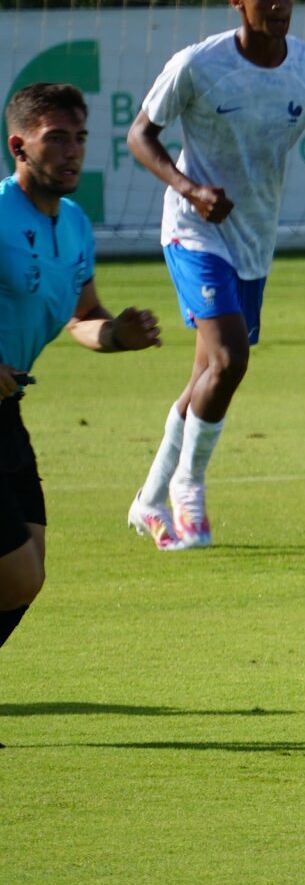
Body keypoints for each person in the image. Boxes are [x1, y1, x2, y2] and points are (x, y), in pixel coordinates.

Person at [125, 0, 305, 550]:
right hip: (192, 229)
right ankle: (188, 489)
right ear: (235, 0)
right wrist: (190, 189)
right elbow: (141, 135)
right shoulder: (199, 65)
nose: (279, 5)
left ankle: (148, 499)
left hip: (253, 240)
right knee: (229, 359)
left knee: (206, 376)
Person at [1, 84, 163, 653]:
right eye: (57, 138)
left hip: (6, 414)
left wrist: (117, 333)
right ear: (19, 147)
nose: (73, 151)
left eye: (81, 138)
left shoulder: (73, 222)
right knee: (17, 574)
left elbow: (81, 314)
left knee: (28, 572)